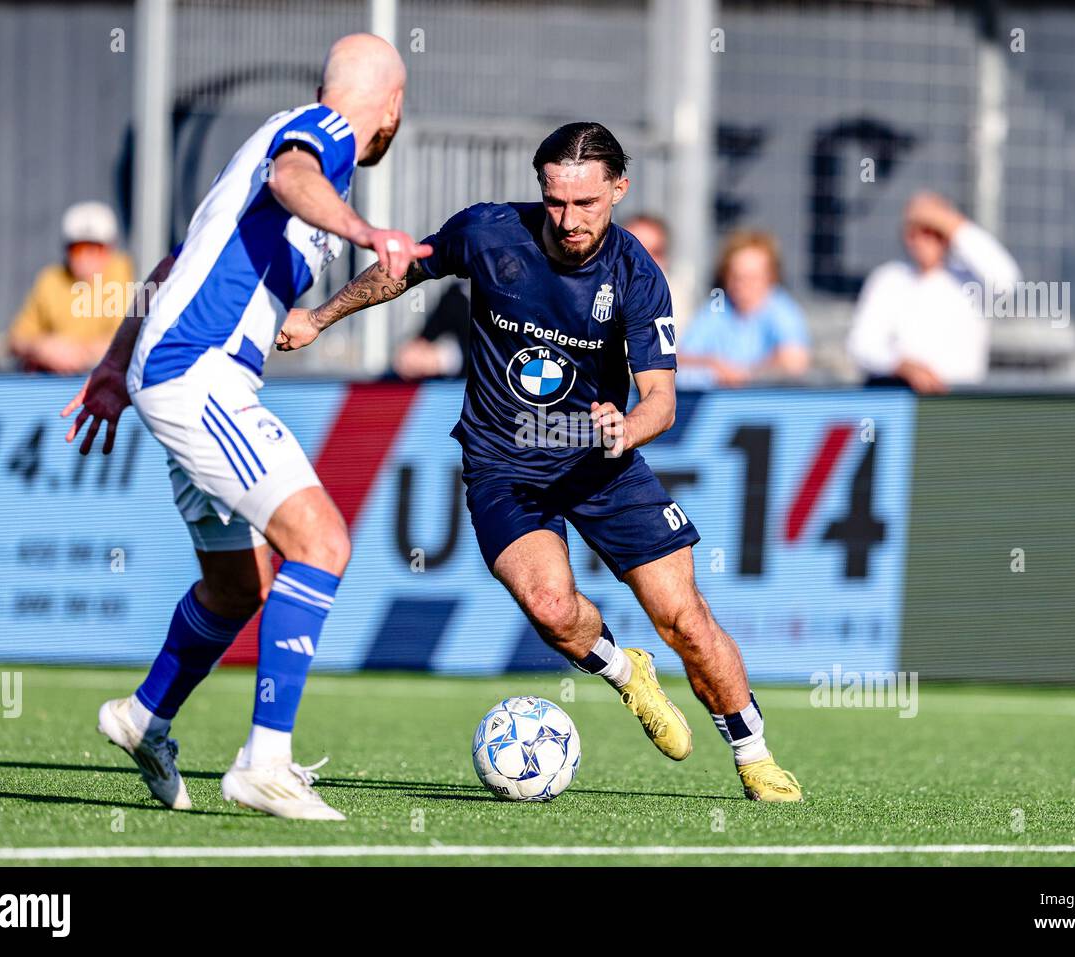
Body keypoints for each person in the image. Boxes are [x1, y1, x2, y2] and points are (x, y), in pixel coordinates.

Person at [277, 122, 803, 802]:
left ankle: (754, 756)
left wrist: (626, 429)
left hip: (602, 463)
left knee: (685, 621)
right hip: (503, 463)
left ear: (619, 188)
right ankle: (625, 672)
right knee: (552, 608)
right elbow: (403, 267)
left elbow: (661, 402)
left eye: (586, 204)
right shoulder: (490, 233)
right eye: (555, 201)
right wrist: (320, 317)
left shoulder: (637, 275)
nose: (568, 219)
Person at [60, 34, 430, 820]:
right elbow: (294, 173)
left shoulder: (250, 162)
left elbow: (169, 269)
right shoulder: (321, 135)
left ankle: (144, 715)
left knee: (240, 588)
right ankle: (266, 762)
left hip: (171, 371)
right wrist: (369, 234)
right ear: (390, 106)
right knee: (322, 542)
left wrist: (113, 366)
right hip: (200, 375)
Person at [847, 191, 1020, 393]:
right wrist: (899, 365)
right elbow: (861, 344)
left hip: (960, 401)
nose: (922, 239)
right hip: (902, 398)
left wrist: (947, 222)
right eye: (915, 231)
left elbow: (1007, 279)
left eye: (932, 231)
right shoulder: (889, 279)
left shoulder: (971, 280)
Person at [9, 202, 135, 374]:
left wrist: (78, 352)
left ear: (110, 249)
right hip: (56, 383)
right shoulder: (50, 280)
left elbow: (133, 338)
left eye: (95, 248)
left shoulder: (128, 272)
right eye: (78, 249)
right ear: (67, 250)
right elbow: (16, 340)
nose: (85, 257)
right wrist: (40, 348)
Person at [680, 231, 810, 387]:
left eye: (752, 277)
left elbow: (795, 362)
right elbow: (679, 357)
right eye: (736, 277)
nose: (742, 285)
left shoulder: (783, 310)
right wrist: (711, 364)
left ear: (771, 277)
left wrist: (745, 374)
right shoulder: (718, 305)